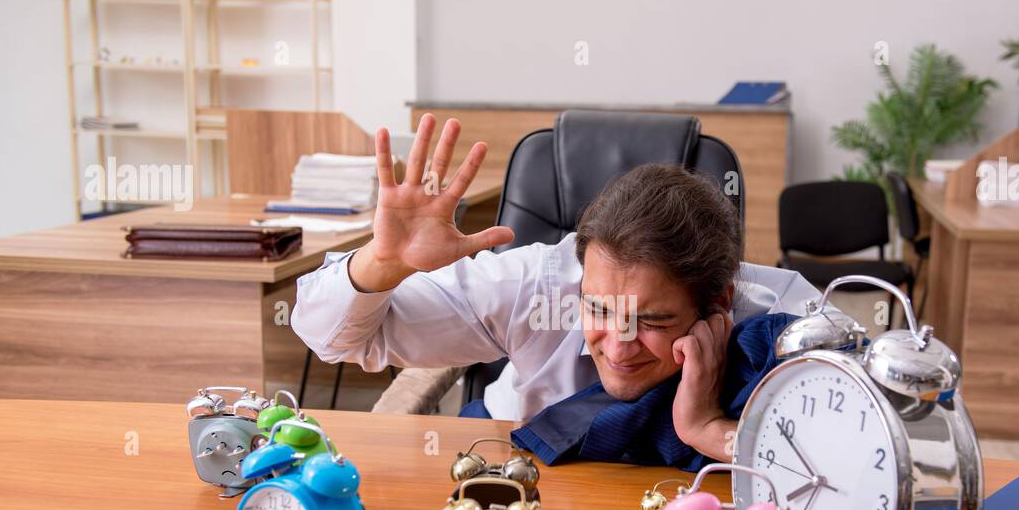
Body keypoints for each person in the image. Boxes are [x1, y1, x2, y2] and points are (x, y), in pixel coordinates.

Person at [291, 114, 818, 467]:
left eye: (652, 322)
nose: (616, 345)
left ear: (719, 302)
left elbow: (849, 468)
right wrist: (382, 264)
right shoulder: (534, 285)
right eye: (598, 310)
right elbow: (332, 337)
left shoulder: (785, 317)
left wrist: (708, 428)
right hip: (513, 468)